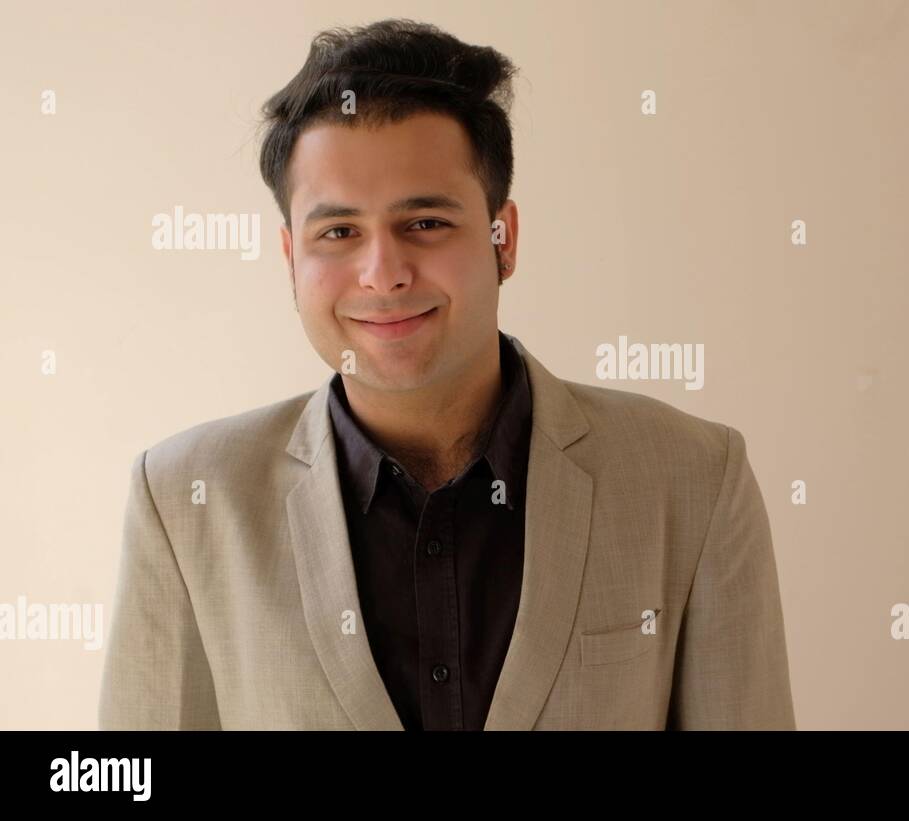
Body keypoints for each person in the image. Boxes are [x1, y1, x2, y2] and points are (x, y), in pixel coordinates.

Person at [98, 18, 795, 730]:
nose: (385, 274)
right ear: (290, 259)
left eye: (425, 222)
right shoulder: (186, 499)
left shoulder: (694, 478)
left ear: (504, 238)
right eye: (338, 232)